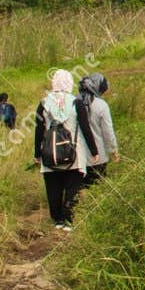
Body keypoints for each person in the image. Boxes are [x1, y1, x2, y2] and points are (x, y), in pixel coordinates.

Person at [32, 69, 97, 231]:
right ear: (69, 83)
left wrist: (37, 154)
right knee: (72, 187)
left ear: (54, 82)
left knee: (53, 186)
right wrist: (94, 151)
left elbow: (39, 130)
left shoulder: (43, 103)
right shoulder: (77, 102)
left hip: (50, 152)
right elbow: (85, 128)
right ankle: (68, 220)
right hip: (73, 152)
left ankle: (57, 220)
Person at [78, 72, 118, 186]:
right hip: (98, 157)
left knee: (78, 193)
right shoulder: (101, 105)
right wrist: (113, 150)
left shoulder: (73, 101)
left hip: (75, 158)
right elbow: (108, 132)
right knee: (97, 191)